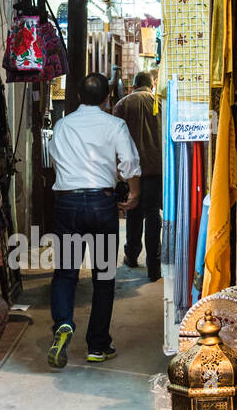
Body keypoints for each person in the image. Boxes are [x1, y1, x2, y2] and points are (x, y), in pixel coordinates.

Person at [46, 72, 140, 369]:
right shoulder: (115, 125)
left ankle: (63, 323)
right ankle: (97, 345)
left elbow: (53, 158)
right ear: (106, 98)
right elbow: (129, 164)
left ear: (77, 97)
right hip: (101, 204)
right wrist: (134, 194)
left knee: (66, 273)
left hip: (68, 204)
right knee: (103, 278)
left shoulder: (62, 126)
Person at [113, 70, 162, 280]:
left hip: (131, 171)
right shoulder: (160, 103)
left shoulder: (123, 104)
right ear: (152, 85)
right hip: (156, 170)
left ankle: (131, 256)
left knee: (133, 215)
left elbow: (115, 139)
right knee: (152, 215)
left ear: (133, 86)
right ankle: (154, 267)